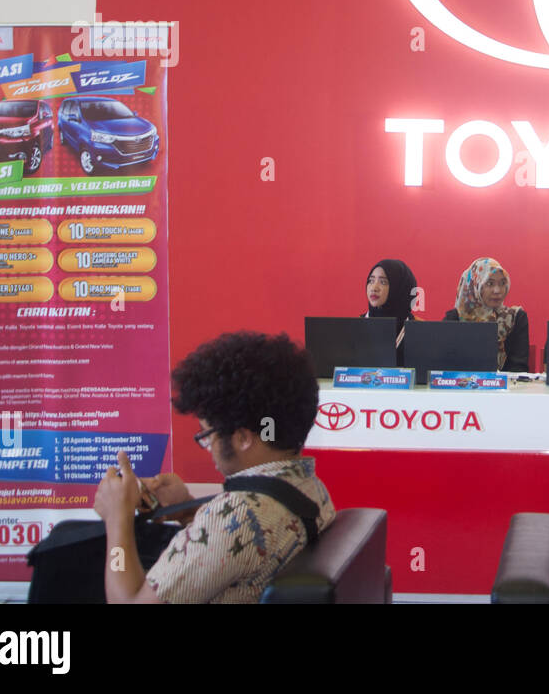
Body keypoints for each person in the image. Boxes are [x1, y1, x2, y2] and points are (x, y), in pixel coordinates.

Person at [92, 331, 335, 603]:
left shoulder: (235, 517)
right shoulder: (310, 487)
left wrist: (117, 519)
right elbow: (247, 548)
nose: (208, 448)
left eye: (206, 435)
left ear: (243, 438)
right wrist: (186, 508)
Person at [442, 257, 529, 372]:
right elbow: (443, 365)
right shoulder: (455, 318)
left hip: (506, 387)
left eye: (502, 283)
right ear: (475, 284)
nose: (497, 290)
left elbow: (518, 367)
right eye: (490, 283)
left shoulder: (515, 318)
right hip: (462, 387)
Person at [364, 258, 419, 365]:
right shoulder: (356, 327)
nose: (374, 288)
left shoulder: (419, 332)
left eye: (383, 282)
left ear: (399, 288)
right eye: (371, 281)